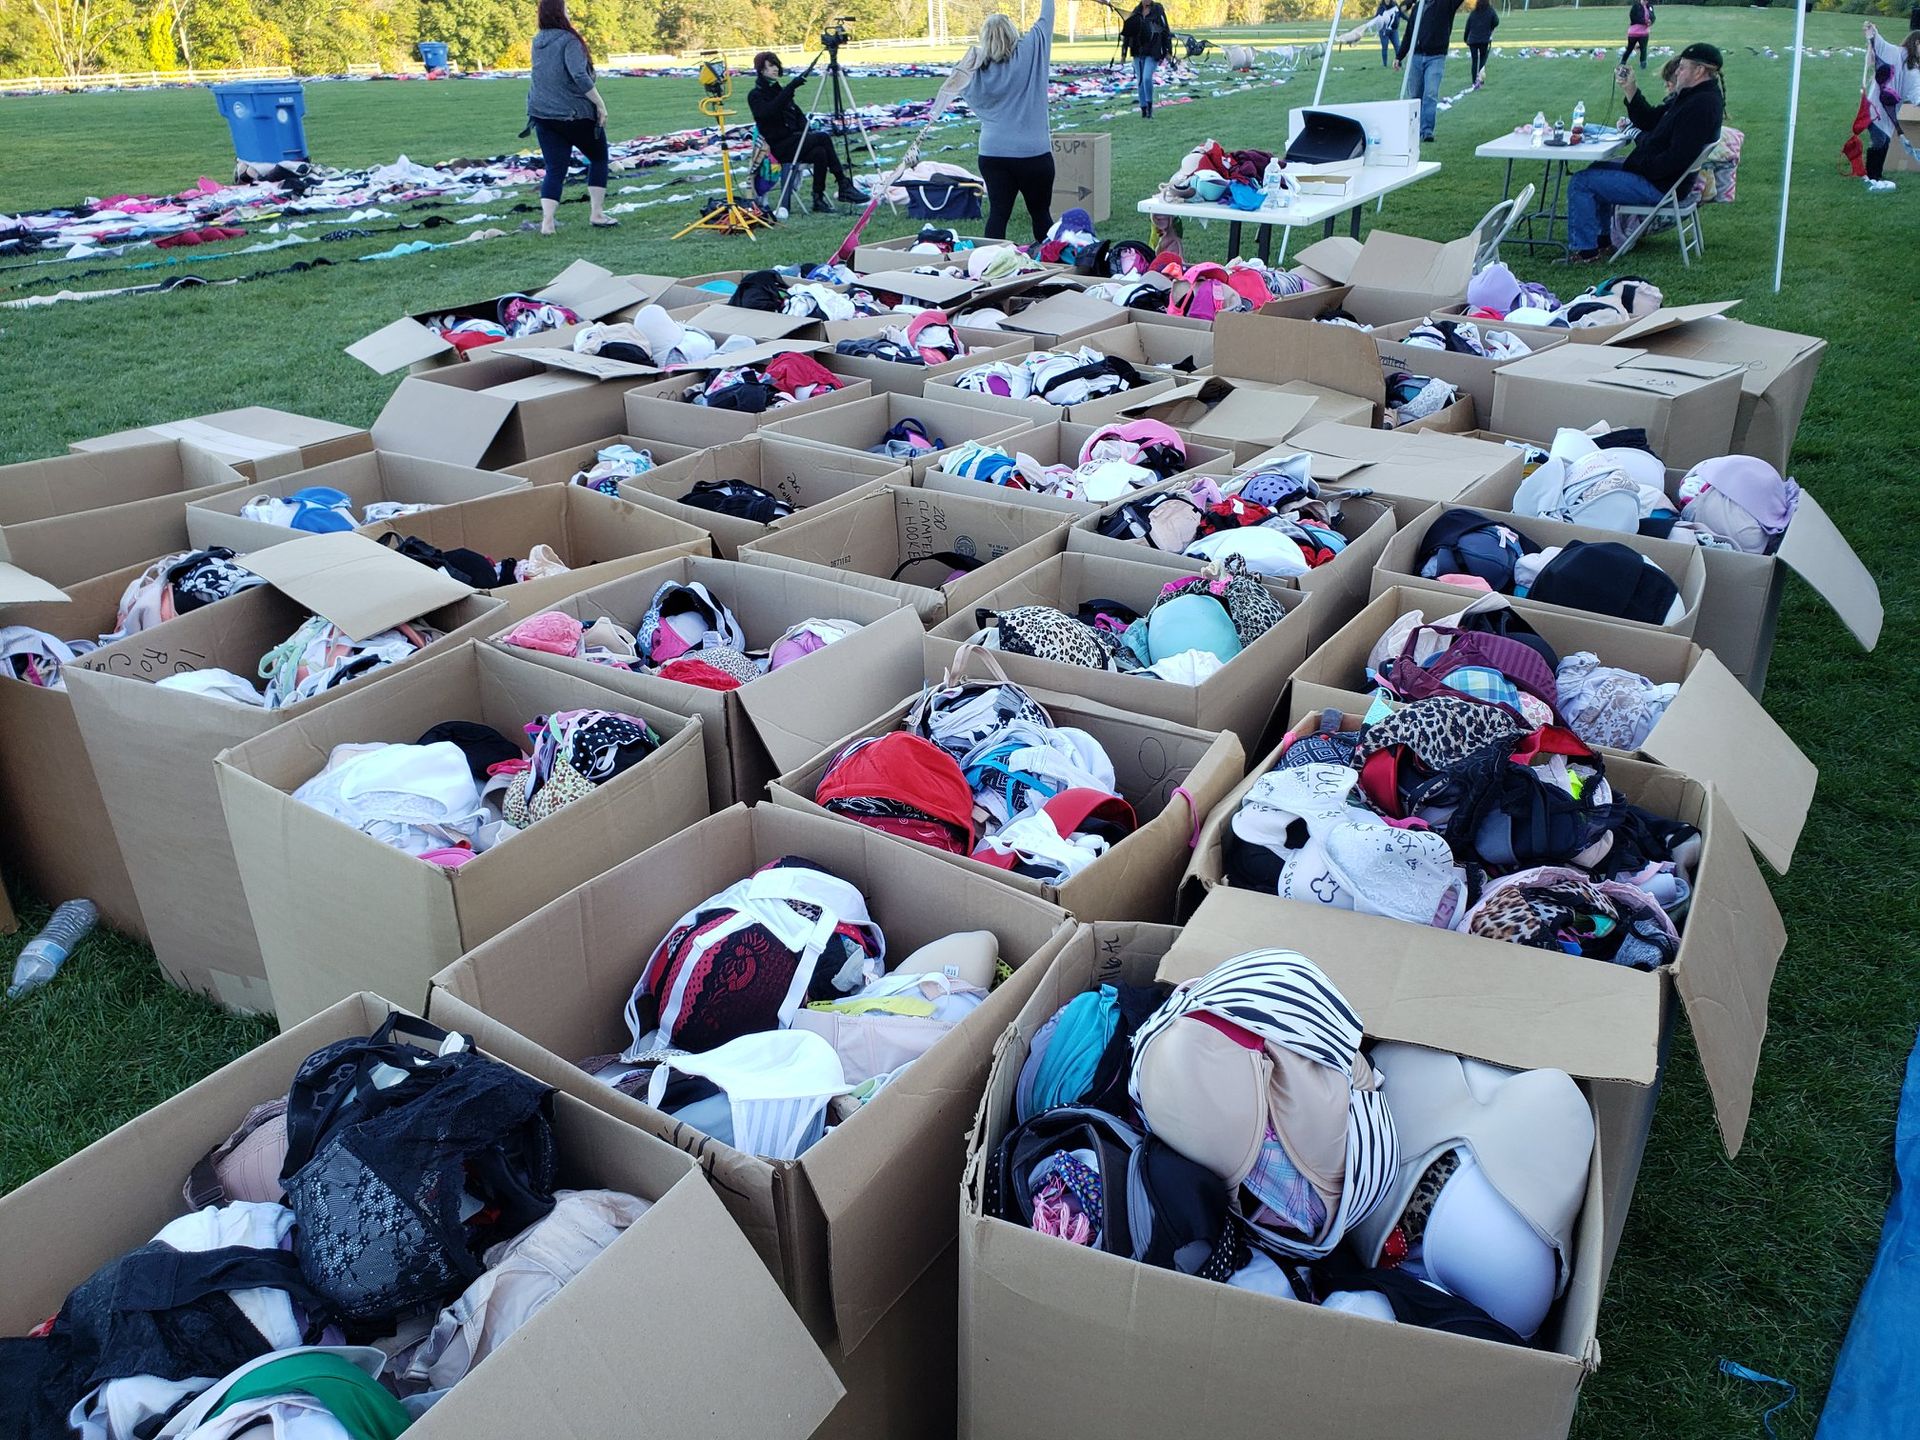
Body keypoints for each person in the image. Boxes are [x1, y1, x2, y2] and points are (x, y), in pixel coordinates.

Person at [1565, 41, 1725, 262]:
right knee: (1596, 169)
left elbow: (1676, 158)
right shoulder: (1693, 97)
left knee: (1582, 182)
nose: (1677, 71)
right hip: (1661, 177)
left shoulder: (1701, 106)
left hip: (1662, 186)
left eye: (1683, 67)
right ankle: (1601, 242)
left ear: (1699, 71)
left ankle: (1585, 252)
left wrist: (1638, 167)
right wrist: (1630, 88)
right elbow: (1650, 120)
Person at [965, 0, 1057, 243]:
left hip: (992, 152)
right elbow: (1047, 16)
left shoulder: (975, 67)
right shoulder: (1032, 48)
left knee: (998, 214)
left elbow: (962, 89)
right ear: (1013, 32)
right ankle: (1051, 266)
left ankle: (990, 267)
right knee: (1040, 214)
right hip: (1033, 152)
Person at [526, 0, 613, 234]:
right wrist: (599, 103)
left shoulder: (538, 41)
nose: (568, 12)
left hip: (542, 113)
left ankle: (547, 222)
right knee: (598, 158)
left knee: (555, 168)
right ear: (559, 12)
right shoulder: (569, 40)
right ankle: (597, 213)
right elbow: (579, 75)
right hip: (574, 113)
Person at [747, 51, 869, 214]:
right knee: (823, 138)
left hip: (795, 140)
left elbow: (797, 115)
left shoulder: (779, 90)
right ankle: (843, 184)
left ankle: (818, 198)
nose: (775, 69)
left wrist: (805, 131)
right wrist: (791, 87)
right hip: (779, 147)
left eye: (775, 64)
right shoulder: (756, 95)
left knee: (820, 152)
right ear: (761, 70)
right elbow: (768, 113)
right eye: (770, 66)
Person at [1396, 0, 1468, 143]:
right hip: (1416, 56)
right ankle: (1413, 129)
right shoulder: (1418, 7)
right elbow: (1410, 33)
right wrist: (1399, 56)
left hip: (1436, 56)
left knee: (1430, 92)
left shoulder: (1446, 4)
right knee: (1415, 95)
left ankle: (1427, 130)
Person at [1862, 22, 1920, 193]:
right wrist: (1872, 32)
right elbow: (1879, 44)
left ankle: (1874, 176)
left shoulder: (1915, 70)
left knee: (1884, 141)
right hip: (1875, 106)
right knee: (1879, 140)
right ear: (1916, 43)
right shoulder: (1894, 52)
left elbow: (1916, 90)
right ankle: (1872, 177)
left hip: (1889, 112)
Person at [1120, 0, 1173, 119]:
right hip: (1138, 51)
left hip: (1153, 51)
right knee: (1140, 81)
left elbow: (1166, 31)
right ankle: (1143, 109)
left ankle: (1149, 108)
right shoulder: (1136, 12)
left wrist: (1168, 51)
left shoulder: (1158, 10)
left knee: (1147, 78)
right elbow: (1128, 34)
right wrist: (1123, 54)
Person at [1465, 0, 1498, 90]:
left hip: (1473, 40)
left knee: (1474, 60)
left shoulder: (1474, 13)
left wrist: (1465, 38)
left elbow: (1468, 26)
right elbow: (1496, 21)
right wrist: (1490, 28)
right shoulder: (1490, 11)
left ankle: (1473, 81)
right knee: (1482, 60)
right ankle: (1480, 80)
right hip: (1484, 40)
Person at [1622, 1, 1654, 71]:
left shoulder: (1650, 6)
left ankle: (1643, 64)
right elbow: (1633, 17)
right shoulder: (1636, 6)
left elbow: (1653, 16)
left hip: (1644, 32)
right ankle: (1623, 62)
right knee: (1630, 48)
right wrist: (1644, 22)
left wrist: (1651, 21)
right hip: (1634, 32)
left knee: (1643, 49)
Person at [1375, 0, 1401, 68]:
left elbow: (1400, 13)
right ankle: (1385, 65)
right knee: (1385, 47)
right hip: (1384, 30)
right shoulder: (1381, 7)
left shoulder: (1395, 5)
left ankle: (1399, 63)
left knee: (1397, 46)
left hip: (1393, 30)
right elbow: (1377, 17)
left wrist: (1408, 19)